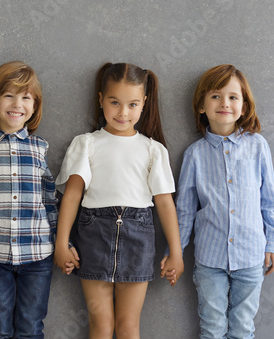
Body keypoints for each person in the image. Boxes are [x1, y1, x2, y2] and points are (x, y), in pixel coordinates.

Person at [54, 63, 184, 339]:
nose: (123, 112)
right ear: (101, 99)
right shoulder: (86, 143)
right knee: (100, 326)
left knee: (128, 327)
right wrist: (62, 243)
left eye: (132, 104)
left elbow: (164, 204)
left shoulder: (153, 150)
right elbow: (72, 196)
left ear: (144, 104)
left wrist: (176, 251)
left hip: (139, 237)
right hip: (93, 235)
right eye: (114, 102)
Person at [164, 64, 274, 339]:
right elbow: (184, 211)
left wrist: (273, 242)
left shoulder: (258, 146)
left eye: (233, 97)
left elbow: (270, 201)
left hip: (251, 256)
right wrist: (176, 252)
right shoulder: (194, 154)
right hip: (209, 260)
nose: (224, 103)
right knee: (213, 328)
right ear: (202, 105)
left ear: (244, 106)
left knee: (243, 328)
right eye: (216, 96)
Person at [0, 61, 59, 339]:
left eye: (26, 97)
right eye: (9, 95)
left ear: (35, 105)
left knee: (31, 327)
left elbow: (50, 200)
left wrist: (61, 242)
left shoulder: (40, 147)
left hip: (38, 255)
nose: (17, 103)